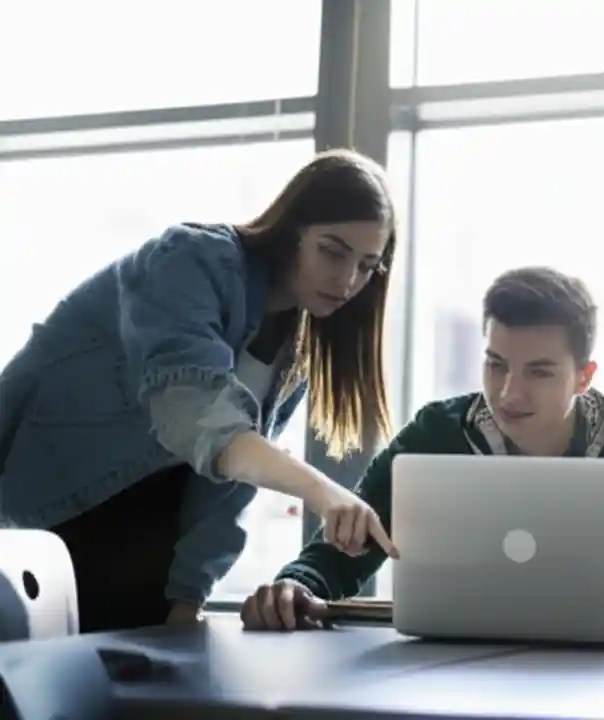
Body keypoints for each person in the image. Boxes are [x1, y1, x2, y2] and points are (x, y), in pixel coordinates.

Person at [0, 149, 400, 633]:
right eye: (333, 252)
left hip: (147, 546)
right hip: (38, 513)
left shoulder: (294, 350)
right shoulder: (188, 259)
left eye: (367, 265)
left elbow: (228, 485)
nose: (348, 280)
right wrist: (322, 490)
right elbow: (195, 413)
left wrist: (188, 598)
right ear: (291, 233)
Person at [241, 266, 604, 631]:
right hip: (450, 669)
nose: (509, 393)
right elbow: (348, 548)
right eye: (495, 364)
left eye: (539, 372)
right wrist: (296, 586)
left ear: (584, 378)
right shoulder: (434, 433)